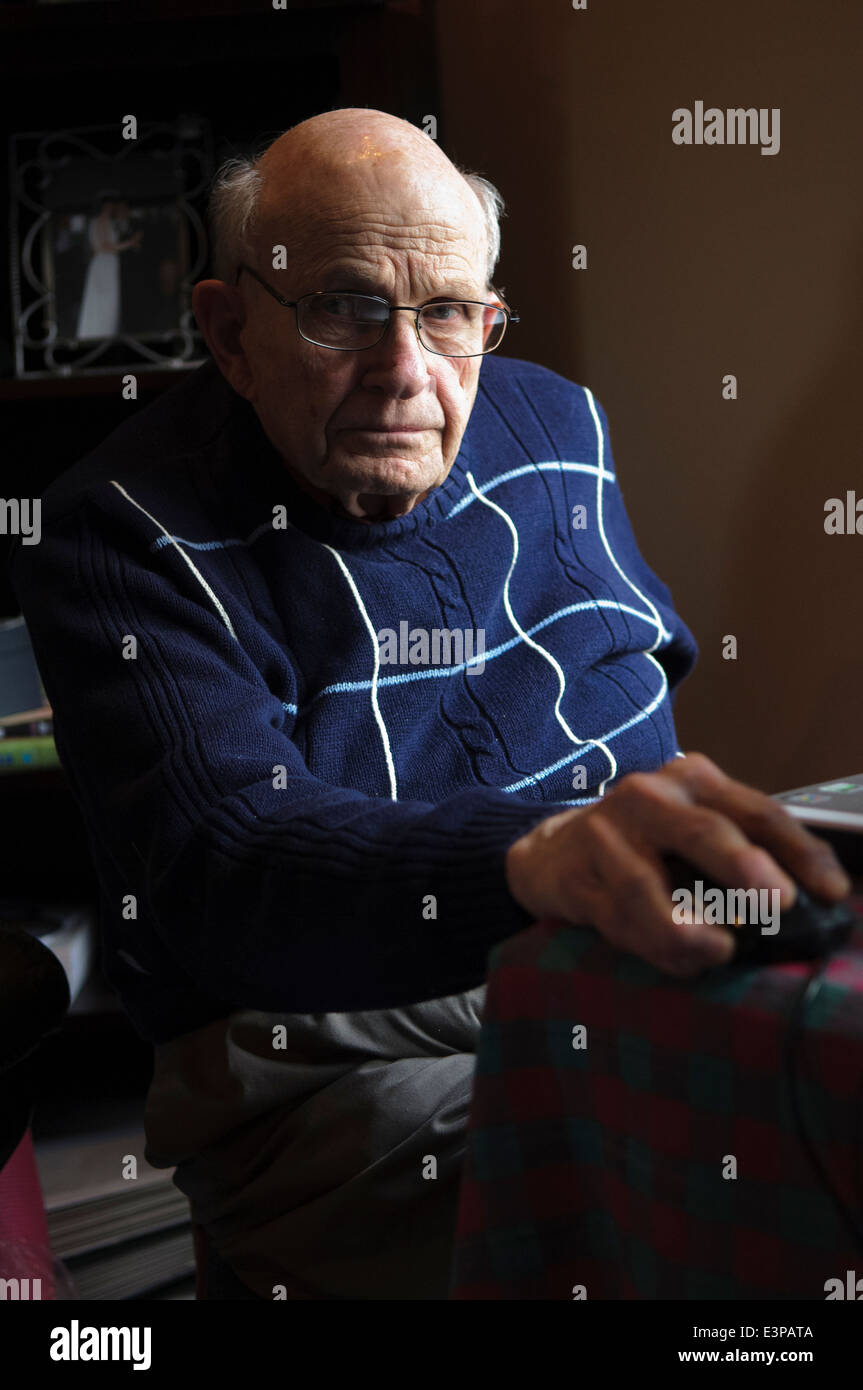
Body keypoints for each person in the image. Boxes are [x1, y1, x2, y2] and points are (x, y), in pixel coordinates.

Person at [10, 109, 850, 1301]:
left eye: (450, 313)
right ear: (229, 331)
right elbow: (226, 863)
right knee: (735, 1227)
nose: (408, 373)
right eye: (345, 307)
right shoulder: (117, 531)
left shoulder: (555, 423)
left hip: (603, 951)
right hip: (323, 1040)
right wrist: (540, 853)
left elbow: (637, 672)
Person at [75, 194, 142, 340]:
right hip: (104, 263)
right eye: (110, 205)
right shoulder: (99, 221)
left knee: (110, 300)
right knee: (103, 299)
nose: (112, 208)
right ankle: (99, 332)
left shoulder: (110, 222)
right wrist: (129, 243)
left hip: (110, 263)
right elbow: (105, 246)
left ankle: (108, 331)